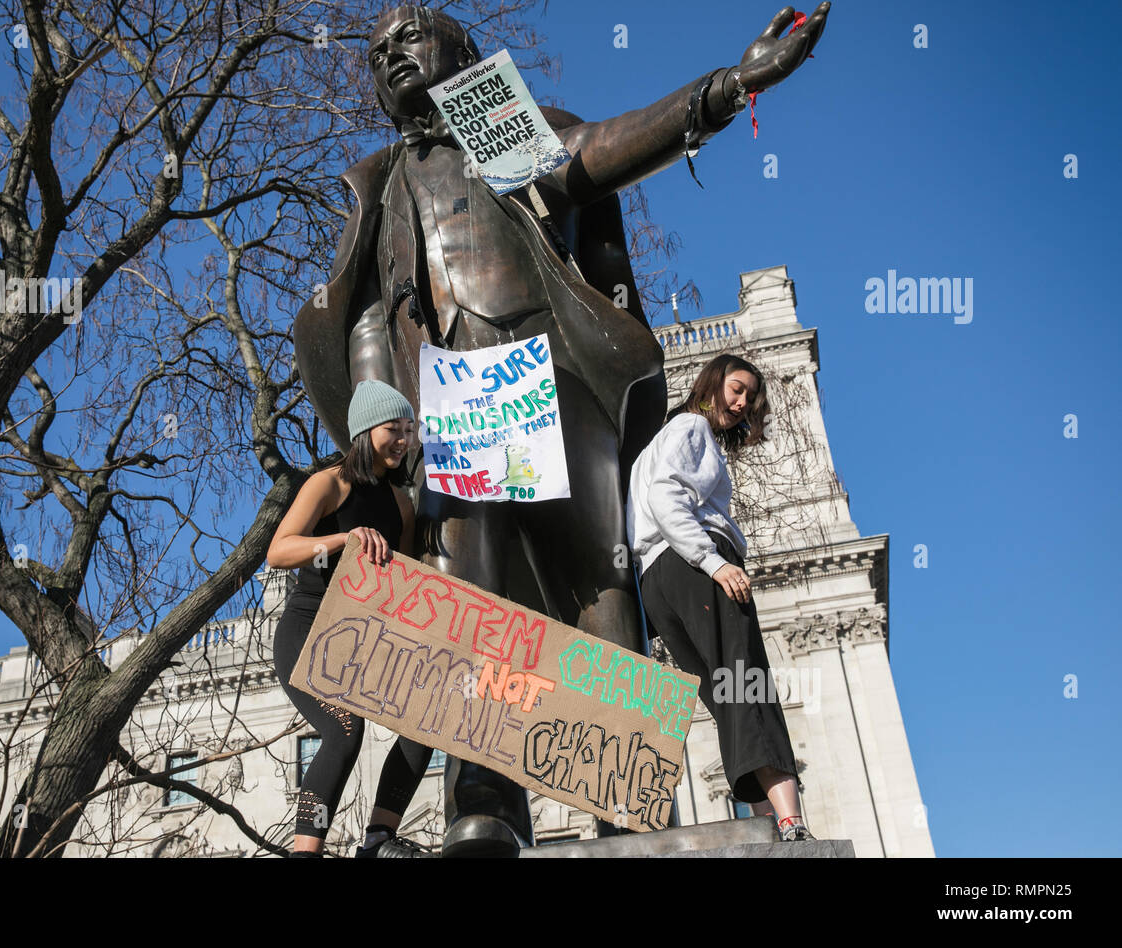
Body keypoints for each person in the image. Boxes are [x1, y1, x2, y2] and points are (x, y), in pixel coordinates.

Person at [293, 4, 830, 855]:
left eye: (410, 37)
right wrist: (382, 425)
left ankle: (616, 790)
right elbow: (369, 314)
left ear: (461, 50)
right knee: (474, 601)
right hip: (451, 411)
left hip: (549, 381)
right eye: (375, 51)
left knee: (596, 579)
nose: (391, 55)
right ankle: (487, 797)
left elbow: (602, 152)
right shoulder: (381, 182)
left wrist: (729, 87)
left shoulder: (504, 126)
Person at [626, 353, 813, 841]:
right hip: (696, 564)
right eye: (736, 387)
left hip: (657, 580)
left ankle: (764, 826)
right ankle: (790, 823)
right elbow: (668, 497)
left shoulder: (655, 444)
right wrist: (715, 561)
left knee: (725, 696)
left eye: (750, 396)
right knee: (748, 684)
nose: (742, 401)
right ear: (711, 382)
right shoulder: (691, 428)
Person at [267, 379, 433, 857]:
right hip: (308, 633)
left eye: (409, 429)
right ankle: (305, 852)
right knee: (344, 730)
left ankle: (378, 840)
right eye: (393, 429)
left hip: (363, 640)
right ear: (365, 432)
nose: (403, 440)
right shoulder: (329, 484)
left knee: (424, 718)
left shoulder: (401, 504)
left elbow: (402, 585)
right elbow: (279, 551)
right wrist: (343, 540)